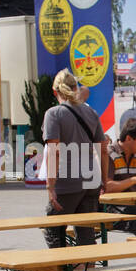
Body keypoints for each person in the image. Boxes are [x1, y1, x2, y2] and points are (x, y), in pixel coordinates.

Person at [42, 67, 109, 251]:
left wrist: (50, 185)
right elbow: (103, 149)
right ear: (76, 88)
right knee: (86, 231)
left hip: (67, 181)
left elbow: (54, 150)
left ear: (55, 92)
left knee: (53, 227)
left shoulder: (53, 114)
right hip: (91, 179)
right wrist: (104, 179)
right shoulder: (91, 113)